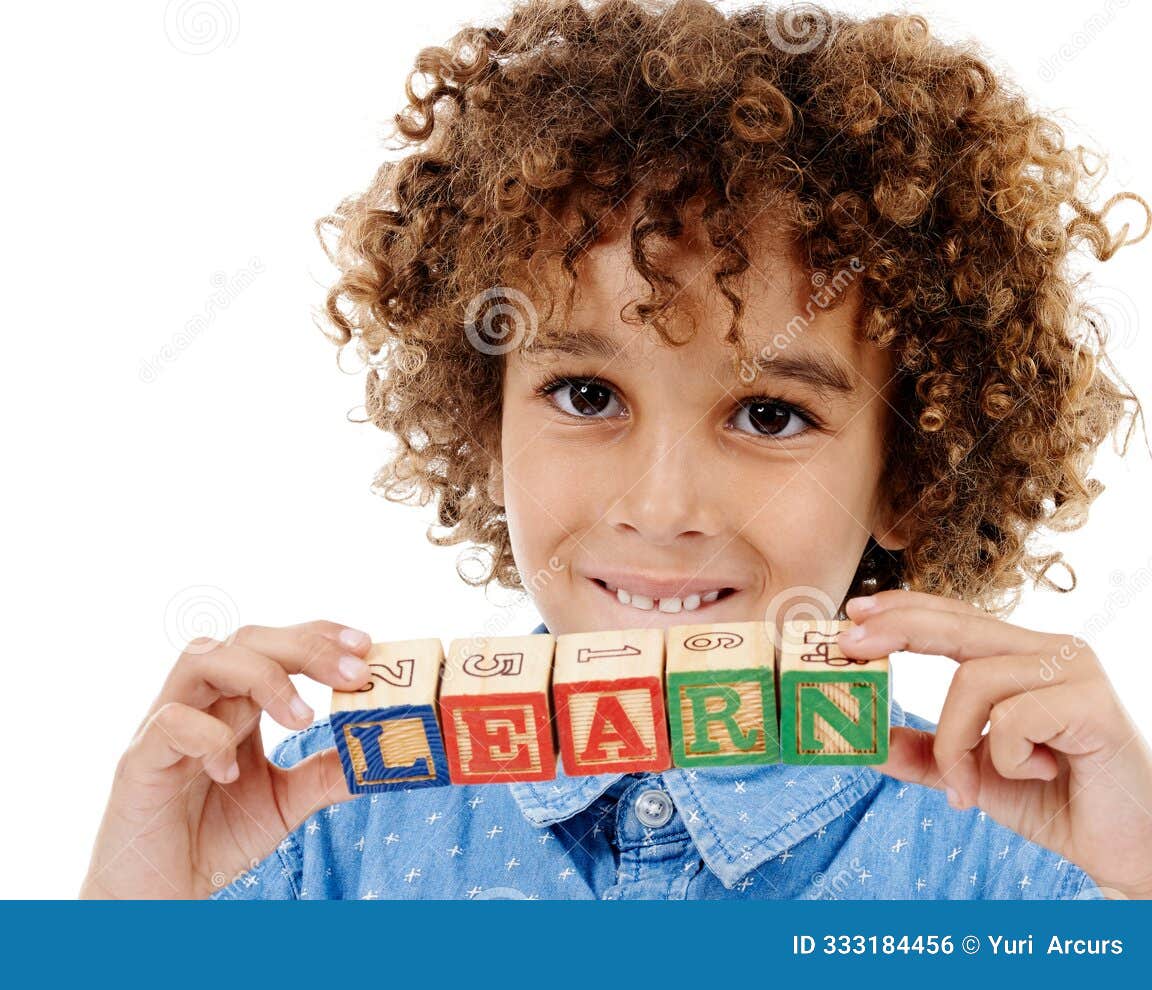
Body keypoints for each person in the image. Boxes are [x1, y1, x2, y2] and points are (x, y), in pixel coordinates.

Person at [81, 0, 1152, 899]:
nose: (660, 502)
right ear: (483, 414)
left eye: (769, 414)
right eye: (586, 393)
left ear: (908, 474)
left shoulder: (1023, 858)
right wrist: (142, 918)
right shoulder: (314, 821)